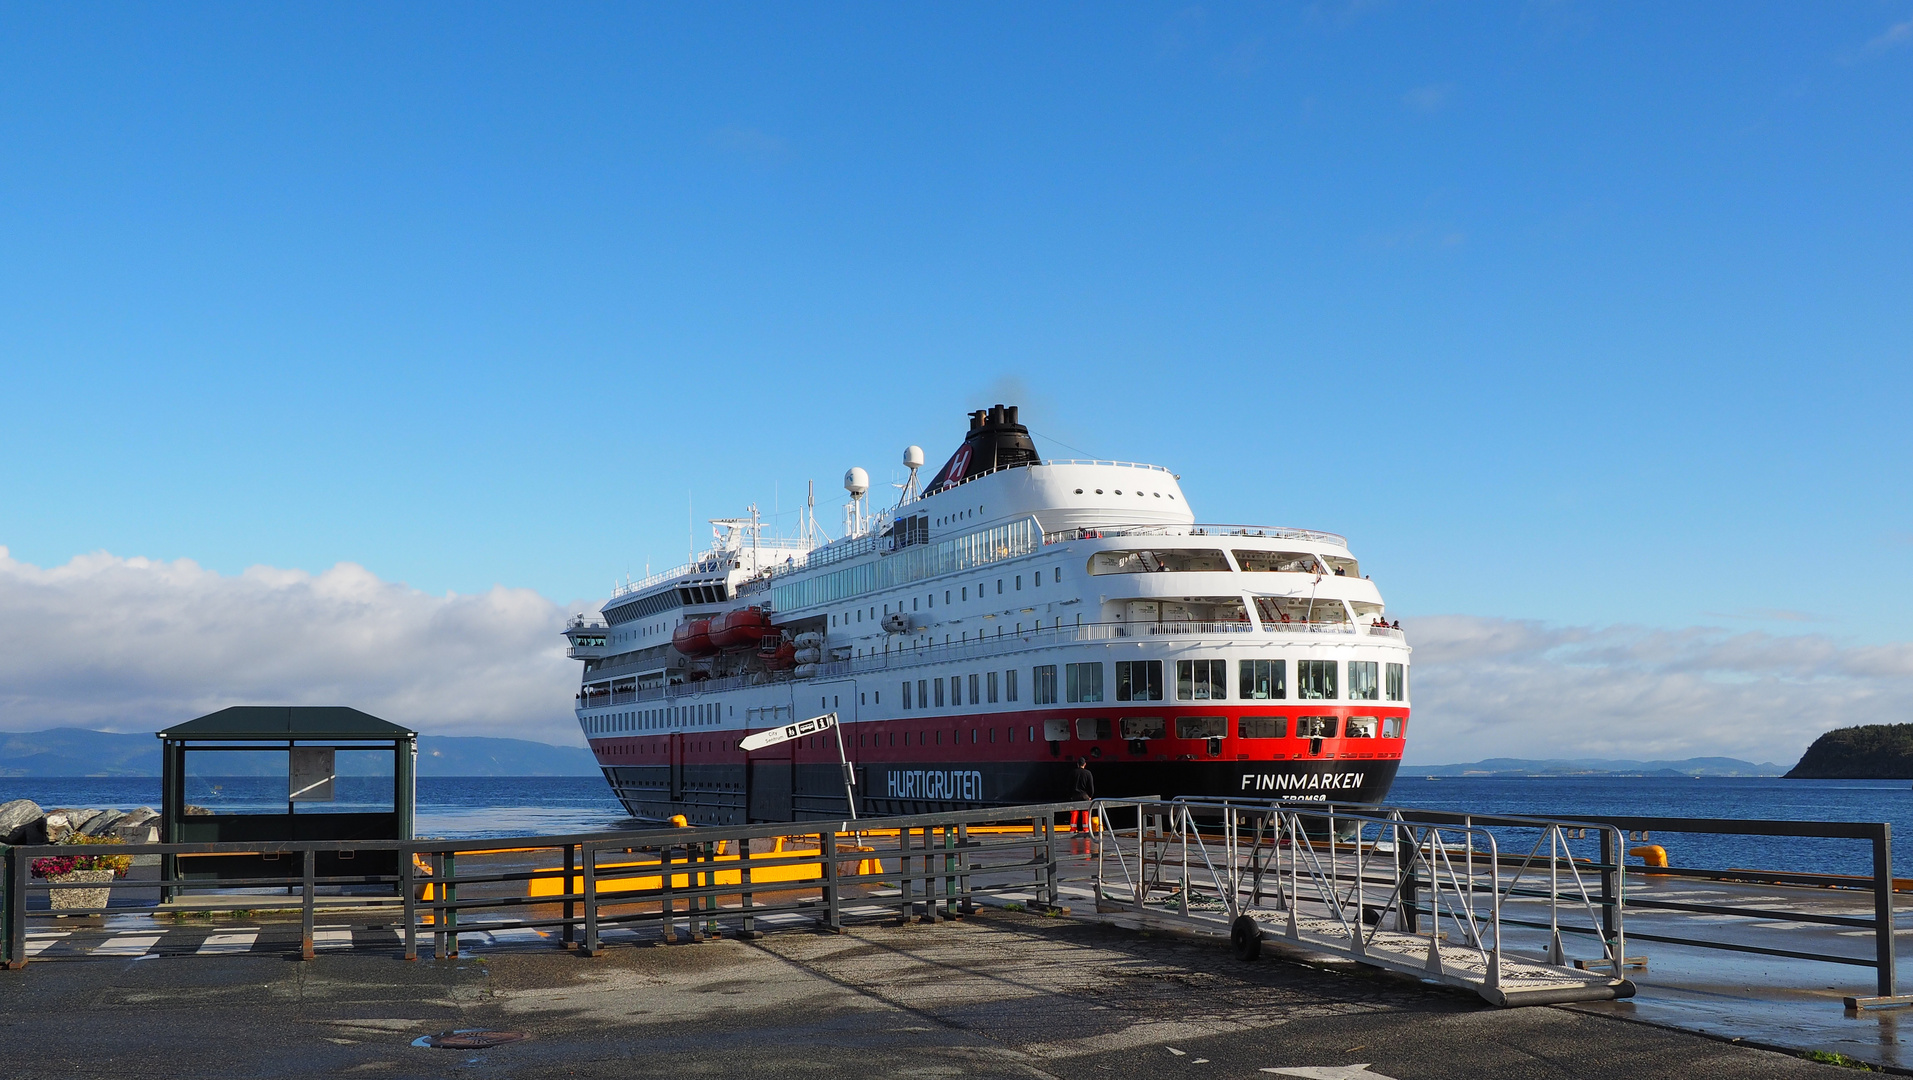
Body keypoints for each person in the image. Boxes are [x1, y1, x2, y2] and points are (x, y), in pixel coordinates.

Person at [1069, 757, 1096, 833]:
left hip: (1075, 795)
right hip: (1085, 796)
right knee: (1085, 813)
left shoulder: (1073, 772)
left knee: (1074, 812)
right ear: (1085, 764)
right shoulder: (1088, 773)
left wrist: (1071, 795)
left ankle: (1073, 829)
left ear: (1077, 764)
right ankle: (1086, 830)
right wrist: (1090, 796)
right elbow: (1091, 787)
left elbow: (1069, 786)